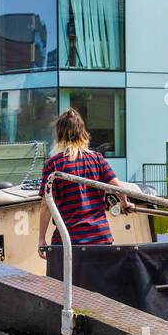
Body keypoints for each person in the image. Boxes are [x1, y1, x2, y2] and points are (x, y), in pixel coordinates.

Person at [37, 108, 129, 256]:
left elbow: (46, 205)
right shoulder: (97, 158)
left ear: (59, 134)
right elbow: (119, 188)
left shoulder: (53, 164)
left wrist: (41, 239)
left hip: (69, 240)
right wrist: (124, 203)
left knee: (63, 280)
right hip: (101, 238)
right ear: (83, 133)